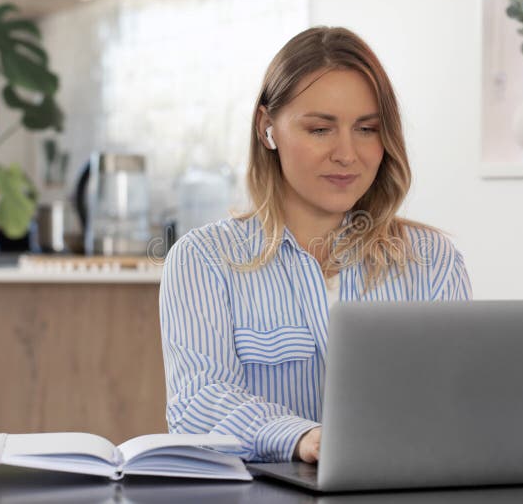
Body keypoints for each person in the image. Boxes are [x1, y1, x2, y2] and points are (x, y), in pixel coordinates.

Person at [159, 26, 471, 464]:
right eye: (321, 129)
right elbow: (197, 402)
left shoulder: (432, 260)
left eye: (367, 129)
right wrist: (301, 436)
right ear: (267, 128)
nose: (347, 154)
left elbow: (457, 402)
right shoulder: (204, 259)